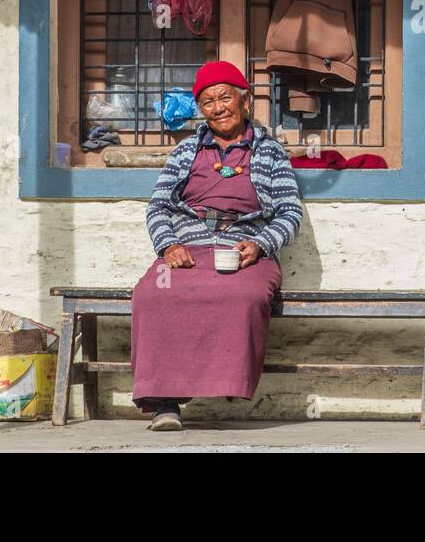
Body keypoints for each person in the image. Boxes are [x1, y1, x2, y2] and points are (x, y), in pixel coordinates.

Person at [129, 60, 303, 431]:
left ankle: (225, 384)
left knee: (244, 296)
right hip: (187, 249)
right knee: (152, 294)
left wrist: (259, 245)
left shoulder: (270, 152)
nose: (218, 107)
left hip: (243, 253)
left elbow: (289, 212)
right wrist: (168, 245)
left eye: (225, 97)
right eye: (208, 102)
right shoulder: (186, 150)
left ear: (245, 101)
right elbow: (159, 205)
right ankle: (164, 403)